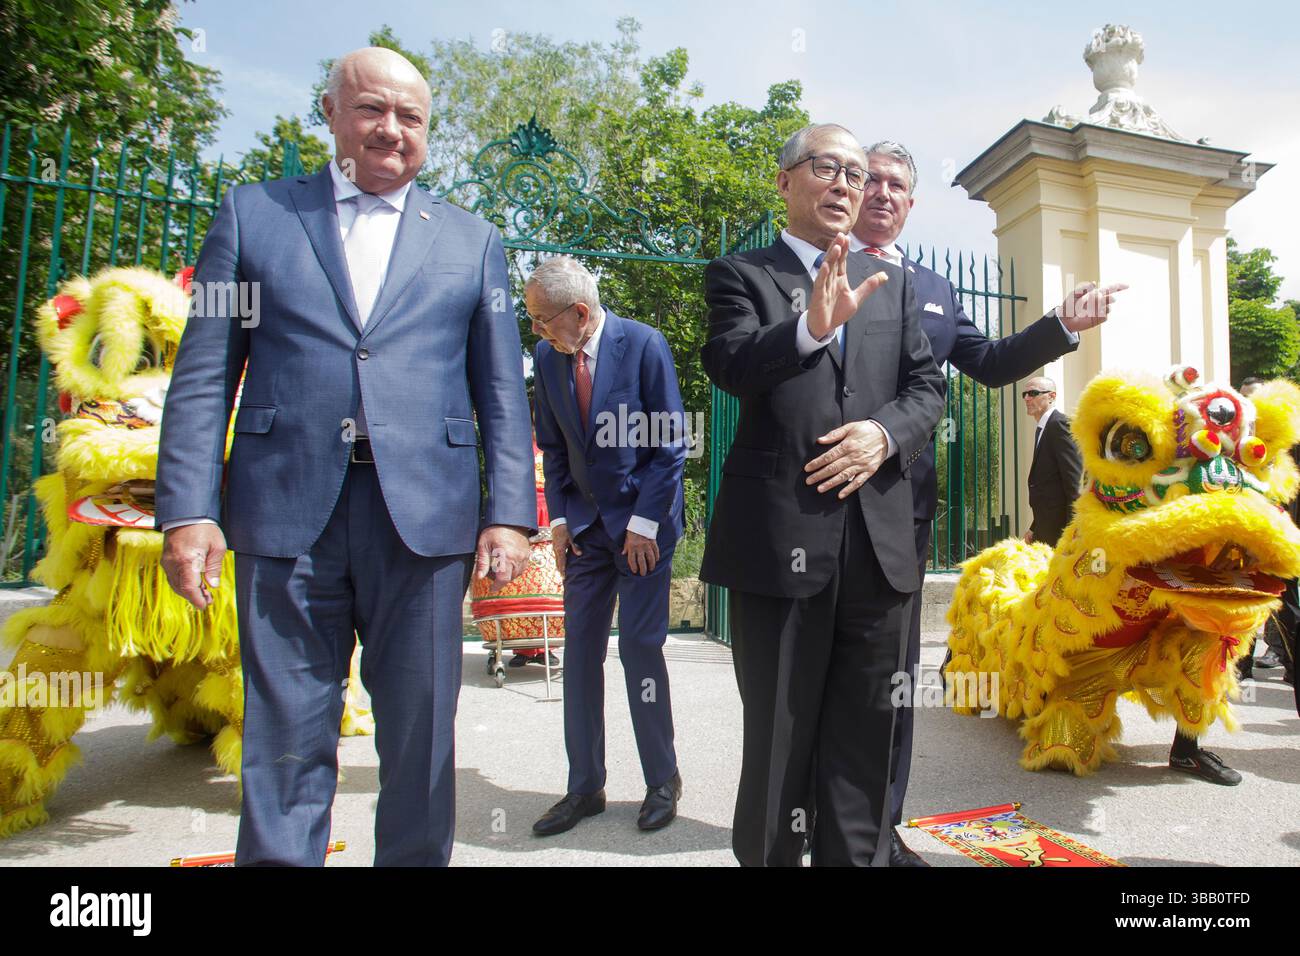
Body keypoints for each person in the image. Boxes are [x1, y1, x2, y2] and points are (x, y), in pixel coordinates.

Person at [155, 47, 536, 866]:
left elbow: (503, 392)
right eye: (371, 109)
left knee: (421, 741)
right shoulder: (255, 216)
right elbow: (203, 375)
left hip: (424, 525)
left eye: (411, 117)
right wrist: (189, 508)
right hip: (285, 511)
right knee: (285, 738)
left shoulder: (474, 243)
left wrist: (509, 515)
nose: (391, 130)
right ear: (330, 113)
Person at [849, 140, 1127, 861]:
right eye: (869, 179)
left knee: (894, 682)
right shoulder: (817, 266)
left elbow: (992, 362)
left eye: (897, 186)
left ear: (910, 204)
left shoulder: (937, 288)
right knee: (814, 678)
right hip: (822, 502)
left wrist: (1062, 325)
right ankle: (807, 826)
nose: (881, 193)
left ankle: (882, 832)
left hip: (902, 512)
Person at [701, 123, 945, 867]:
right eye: (825, 168)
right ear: (785, 181)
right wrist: (808, 328)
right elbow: (731, 365)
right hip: (781, 547)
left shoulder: (893, 283)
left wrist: (882, 435)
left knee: (866, 743)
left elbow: (927, 387)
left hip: (880, 554)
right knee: (780, 742)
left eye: (854, 173)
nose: (845, 184)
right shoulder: (741, 272)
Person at [528, 256, 688, 835]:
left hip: (643, 531)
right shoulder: (549, 359)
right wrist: (563, 520)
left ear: (579, 312)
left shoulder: (643, 344)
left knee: (640, 653)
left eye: (544, 320)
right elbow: (552, 444)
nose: (538, 332)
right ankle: (584, 787)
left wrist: (645, 524)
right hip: (587, 534)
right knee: (579, 655)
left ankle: (661, 780)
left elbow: (671, 443)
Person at [1023, 376, 1084, 547]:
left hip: (1060, 529)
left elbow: (1074, 480)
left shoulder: (1059, 424)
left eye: (1033, 393)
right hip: (1046, 526)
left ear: (1051, 396)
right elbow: (1049, 484)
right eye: (1025, 394)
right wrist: (1035, 527)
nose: (1027, 398)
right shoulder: (1044, 427)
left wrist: (1073, 530)